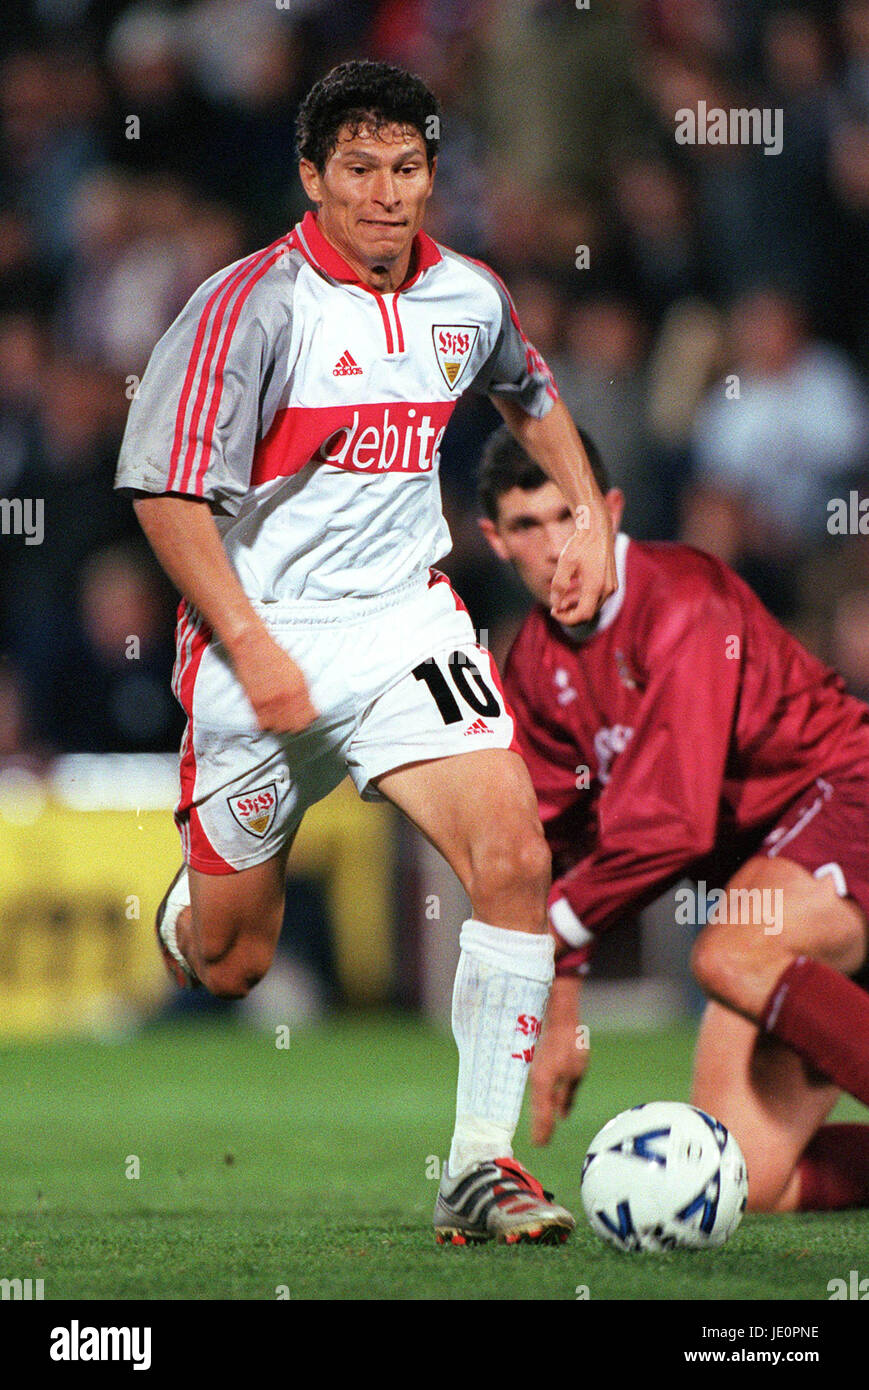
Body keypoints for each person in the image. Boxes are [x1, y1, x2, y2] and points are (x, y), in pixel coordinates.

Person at [114, 60, 617, 1245]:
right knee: (233, 965)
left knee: (509, 852)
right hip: (262, 645)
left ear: (432, 175)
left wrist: (587, 514)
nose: (385, 194)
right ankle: (193, 910)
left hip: (404, 623)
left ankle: (477, 1165)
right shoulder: (252, 305)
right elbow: (164, 496)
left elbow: (529, 392)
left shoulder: (469, 297)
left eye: (406, 169)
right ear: (311, 177)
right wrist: (249, 642)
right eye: (358, 170)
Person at [478, 424, 869, 1214]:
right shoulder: (532, 665)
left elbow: (677, 825)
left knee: (727, 953)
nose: (555, 547)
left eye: (569, 516)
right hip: (768, 893)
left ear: (610, 510)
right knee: (746, 1176)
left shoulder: (685, 598)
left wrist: (544, 933)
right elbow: (562, 844)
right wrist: (560, 1018)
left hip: (845, 796)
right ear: (494, 540)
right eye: (528, 525)